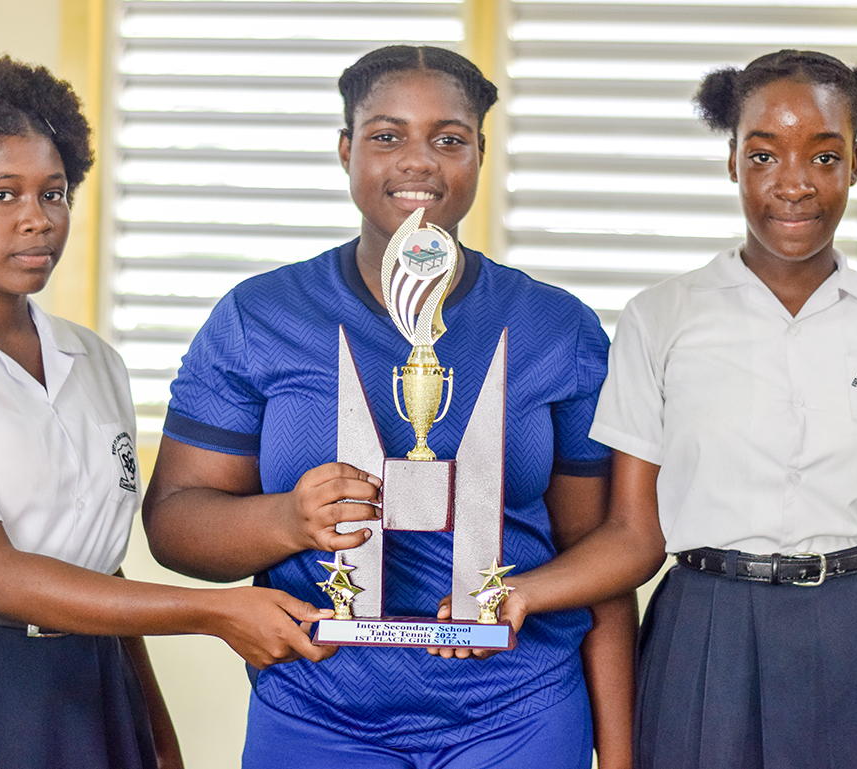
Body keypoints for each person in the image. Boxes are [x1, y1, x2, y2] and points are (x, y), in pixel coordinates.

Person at [143, 45, 637, 769]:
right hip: (316, 709)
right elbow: (173, 524)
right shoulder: (260, 316)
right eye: (386, 135)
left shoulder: (556, 326)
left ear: (480, 154)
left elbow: (600, 558)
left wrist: (620, 754)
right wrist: (285, 519)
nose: (419, 161)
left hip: (517, 711)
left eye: (449, 139)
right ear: (346, 150)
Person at [0, 56, 339, 769]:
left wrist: (156, 734)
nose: (37, 218)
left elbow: (100, 564)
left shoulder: (94, 361)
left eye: (53, 193)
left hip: (90, 676)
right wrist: (215, 612)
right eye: (4, 194)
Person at [515, 49, 857, 768]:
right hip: (706, 629)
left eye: (824, 156)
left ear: (855, 164)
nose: (794, 184)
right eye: (764, 155)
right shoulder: (659, 318)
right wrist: (516, 594)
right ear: (732, 162)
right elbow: (633, 533)